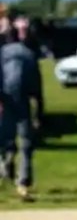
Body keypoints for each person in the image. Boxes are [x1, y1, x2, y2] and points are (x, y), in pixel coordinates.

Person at [0, 17, 43, 201]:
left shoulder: (2, 53)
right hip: (23, 100)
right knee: (26, 142)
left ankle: (6, 164)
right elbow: (37, 86)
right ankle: (23, 181)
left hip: (5, 99)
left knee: (5, 137)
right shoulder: (28, 53)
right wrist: (39, 112)